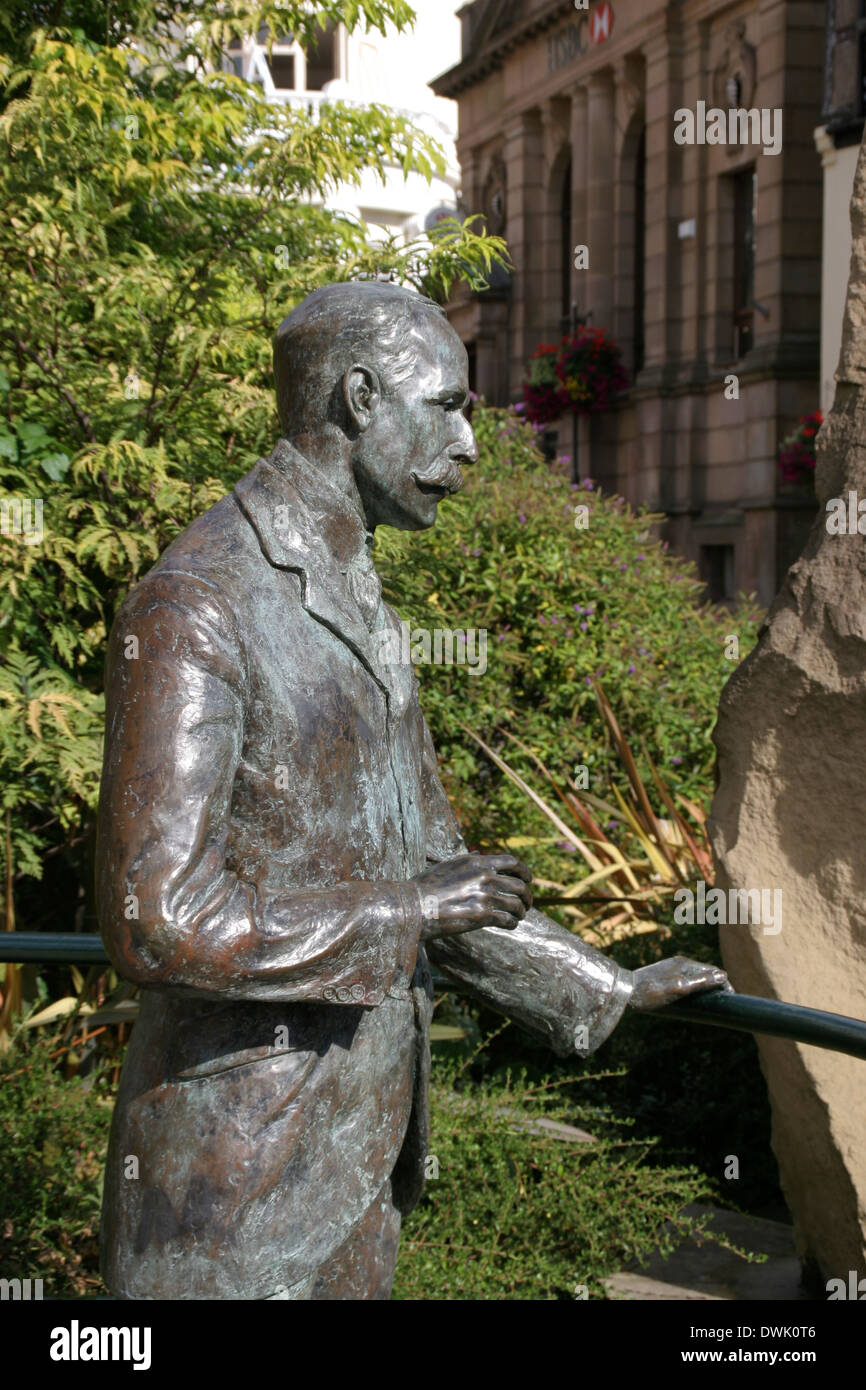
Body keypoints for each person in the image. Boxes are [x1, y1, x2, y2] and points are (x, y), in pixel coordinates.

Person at [96, 280, 728, 1300]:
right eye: (448, 407)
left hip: (356, 1175)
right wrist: (406, 909)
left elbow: (438, 872)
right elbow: (158, 920)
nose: (470, 446)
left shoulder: (369, 606)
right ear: (357, 399)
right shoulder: (196, 601)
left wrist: (602, 987)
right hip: (229, 1201)